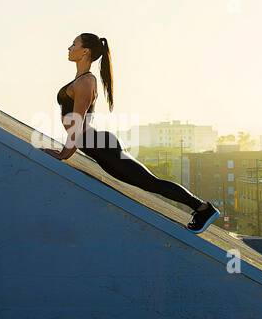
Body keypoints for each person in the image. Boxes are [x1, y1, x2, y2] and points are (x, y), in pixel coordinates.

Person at [40, 33, 220, 233]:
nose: (69, 47)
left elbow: (77, 122)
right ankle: (201, 208)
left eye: (74, 44)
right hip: (96, 147)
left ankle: (203, 207)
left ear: (85, 51)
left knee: (150, 183)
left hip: (101, 146)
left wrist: (64, 154)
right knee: (146, 183)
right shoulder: (81, 79)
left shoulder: (85, 82)